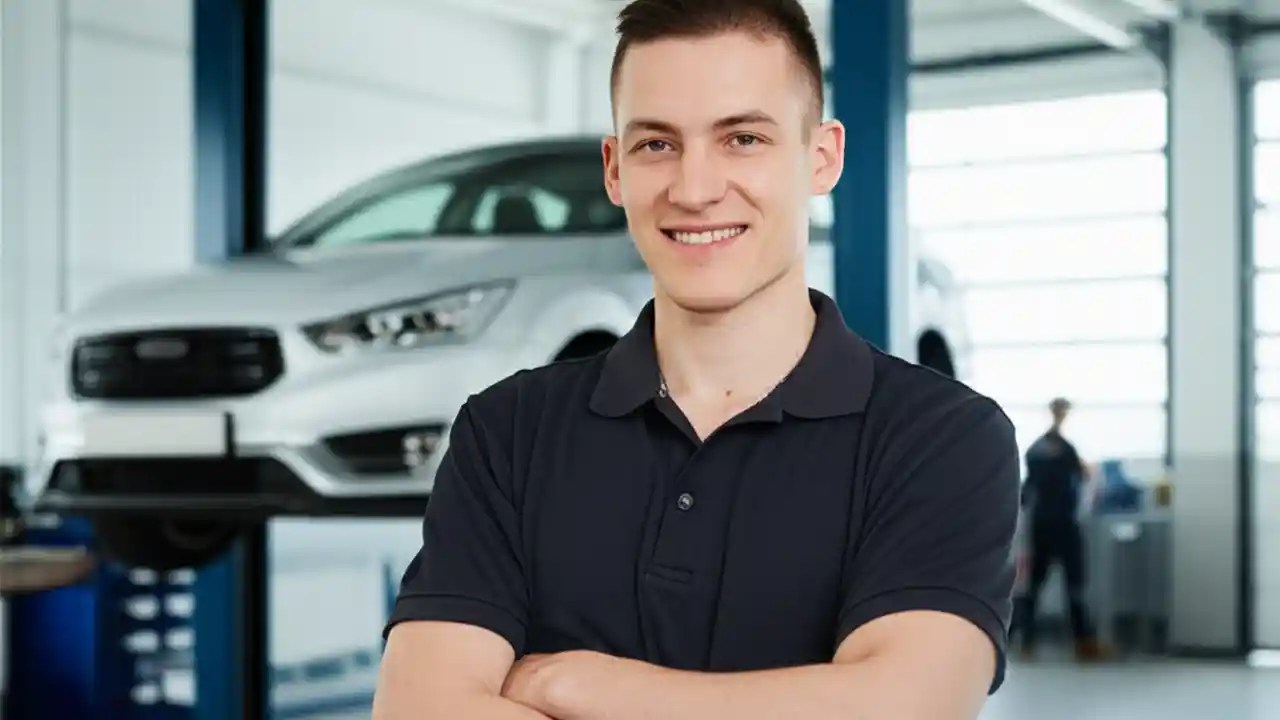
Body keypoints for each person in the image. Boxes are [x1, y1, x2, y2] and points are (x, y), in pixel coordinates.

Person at [372, 1, 1021, 717]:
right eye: (657, 145)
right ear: (615, 170)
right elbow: (418, 709)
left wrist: (581, 684)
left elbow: (902, 707)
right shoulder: (507, 432)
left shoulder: (941, 438)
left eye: (742, 138)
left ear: (821, 158)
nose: (695, 189)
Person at [1012, 397, 1107, 660]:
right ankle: (1083, 643)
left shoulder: (1035, 449)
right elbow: (1085, 477)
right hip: (1064, 524)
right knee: (1074, 584)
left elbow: (1026, 490)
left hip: (1040, 523)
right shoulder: (1066, 449)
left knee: (1034, 584)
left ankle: (1025, 641)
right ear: (1061, 414)